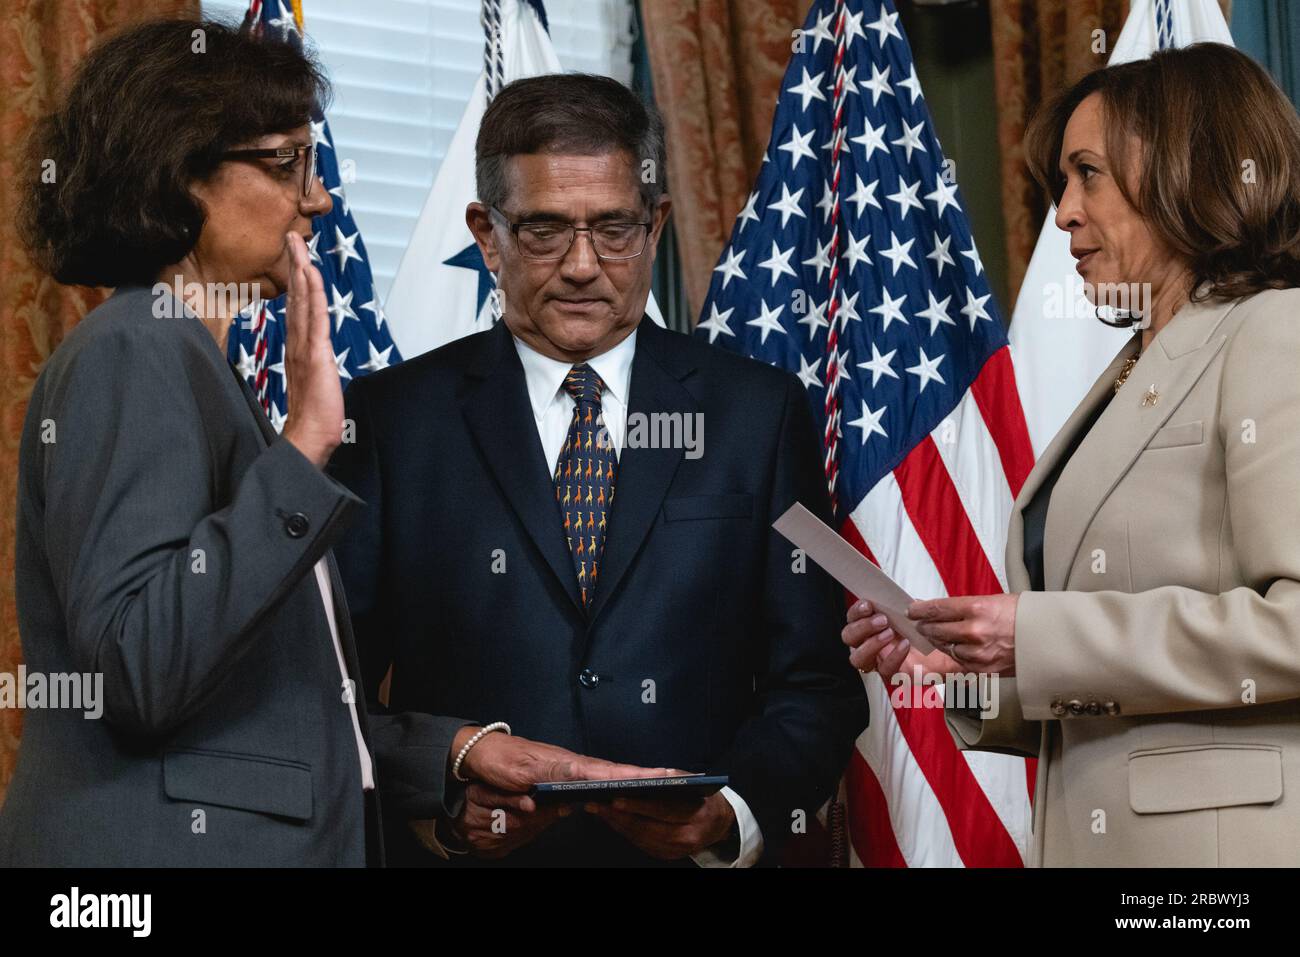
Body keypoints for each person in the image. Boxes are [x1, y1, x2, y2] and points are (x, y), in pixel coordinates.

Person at [0, 18, 632, 867]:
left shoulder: (191, 364)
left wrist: (453, 752)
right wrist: (302, 447)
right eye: (287, 161)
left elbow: (281, 702)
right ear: (182, 171)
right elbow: (137, 670)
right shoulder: (134, 348)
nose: (319, 197)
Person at [329, 72, 869, 867]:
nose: (582, 265)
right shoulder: (390, 420)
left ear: (655, 226)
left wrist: (732, 811)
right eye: (545, 230)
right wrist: (450, 777)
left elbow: (819, 683)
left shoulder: (761, 414)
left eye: (613, 228)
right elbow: (326, 688)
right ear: (487, 234)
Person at [843, 42, 1300, 867]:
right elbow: (1094, 689)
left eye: (1087, 174)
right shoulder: (1135, 366)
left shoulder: (1276, 332)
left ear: (1185, 170)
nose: (1062, 213)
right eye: (1061, 183)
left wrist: (1042, 634)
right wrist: (957, 664)